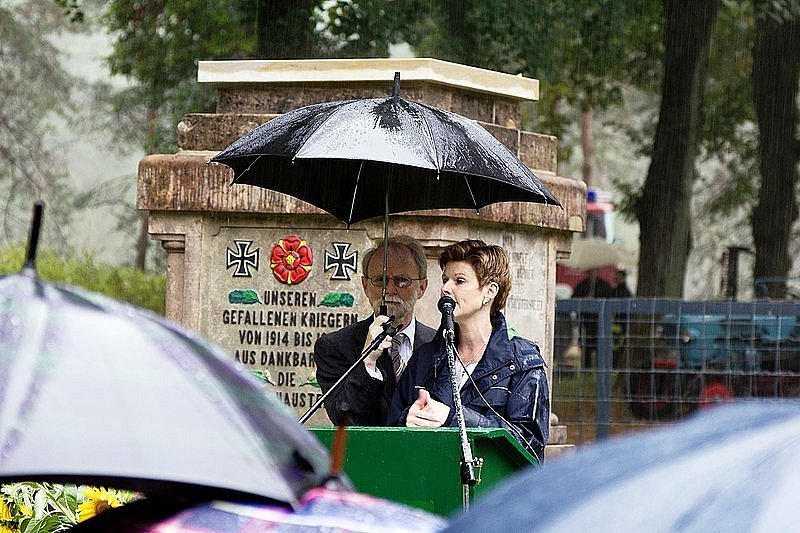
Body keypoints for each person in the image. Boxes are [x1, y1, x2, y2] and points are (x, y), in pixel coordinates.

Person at [387, 239, 550, 460]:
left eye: (459, 281)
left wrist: (454, 418)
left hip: (490, 490)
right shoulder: (426, 357)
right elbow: (391, 430)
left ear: (489, 291)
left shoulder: (523, 361)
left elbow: (529, 446)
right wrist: (407, 419)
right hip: (434, 486)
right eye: (445, 280)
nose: (445, 288)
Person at [314, 235, 436, 425]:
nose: (389, 290)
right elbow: (345, 420)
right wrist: (368, 360)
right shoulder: (334, 346)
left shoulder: (440, 344)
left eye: (402, 280)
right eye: (380, 280)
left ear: (422, 287)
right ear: (365, 285)